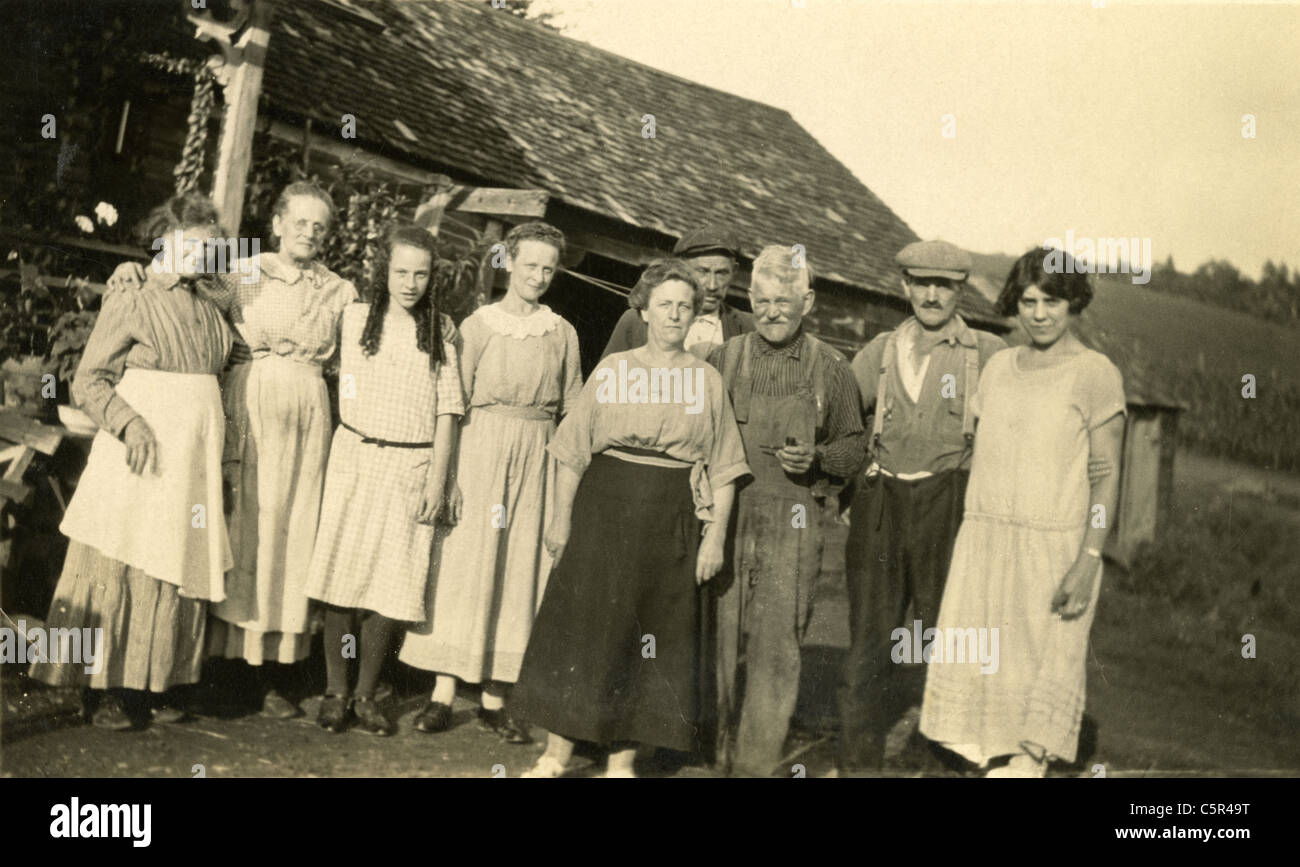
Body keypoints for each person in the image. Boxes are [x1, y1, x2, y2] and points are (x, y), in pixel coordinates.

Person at [107, 181, 359, 717]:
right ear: (277, 224)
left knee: (291, 531)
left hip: (309, 415)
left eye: (320, 226)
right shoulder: (243, 266)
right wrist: (131, 270)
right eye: (299, 222)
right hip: (249, 405)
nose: (308, 233)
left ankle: (271, 670)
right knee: (243, 526)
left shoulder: (340, 291)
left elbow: (369, 344)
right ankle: (220, 666)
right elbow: (177, 266)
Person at [509, 259, 750, 777]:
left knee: (649, 637)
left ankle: (622, 763)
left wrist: (715, 539)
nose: (675, 315)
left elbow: (726, 468)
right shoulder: (614, 370)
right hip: (604, 511)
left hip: (671, 521)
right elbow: (572, 452)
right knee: (584, 630)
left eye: (686, 307)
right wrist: (560, 520)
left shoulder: (706, 380)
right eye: (665, 305)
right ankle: (555, 756)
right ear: (643, 308)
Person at [919, 246, 1125, 777]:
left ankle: (1024, 767)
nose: (1038, 313)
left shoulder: (1095, 374)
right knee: (982, 682)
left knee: (1035, 683)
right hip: (986, 543)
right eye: (1028, 301)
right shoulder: (999, 368)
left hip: (1052, 550)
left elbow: (1106, 479)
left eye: (1051, 301)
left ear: (1073, 302)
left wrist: (1089, 559)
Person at [29, 193, 233, 728]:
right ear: (166, 240)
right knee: (121, 558)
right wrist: (130, 422)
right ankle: (106, 691)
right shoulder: (134, 295)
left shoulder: (215, 299)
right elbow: (89, 379)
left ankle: (156, 684)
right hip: (140, 451)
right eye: (191, 244)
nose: (201, 255)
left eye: (209, 247)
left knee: (173, 562)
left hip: (192, 457)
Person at [399, 222, 581, 743]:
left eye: (549, 269)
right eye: (530, 266)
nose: (539, 277)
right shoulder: (478, 325)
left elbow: (572, 410)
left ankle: (496, 699)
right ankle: (441, 692)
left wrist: (563, 484)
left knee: (520, 568)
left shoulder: (562, 332)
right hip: (481, 450)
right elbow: (453, 405)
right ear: (508, 263)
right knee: (466, 566)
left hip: (538, 456)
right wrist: (450, 475)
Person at [835, 240, 1007, 773]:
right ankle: (857, 765)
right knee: (870, 639)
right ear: (905, 286)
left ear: (960, 292)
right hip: (882, 500)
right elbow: (838, 411)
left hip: (949, 500)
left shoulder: (987, 353)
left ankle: (937, 759)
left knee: (946, 637)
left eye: (945, 286)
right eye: (922, 284)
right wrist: (845, 484)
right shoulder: (881, 350)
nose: (932, 295)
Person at [707, 245, 866, 776]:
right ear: (749, 298)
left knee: (777, 644)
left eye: (785, 301)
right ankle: (711, 753)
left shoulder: (832, 368)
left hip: (794, 516)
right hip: (726, 512)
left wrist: (818, 457)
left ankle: (753, 763)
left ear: (809, 301)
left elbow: (853, 447)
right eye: (763, 300)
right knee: (717, 635)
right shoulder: (722, 359)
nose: (773, 312)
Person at [304, 223, 463, 736]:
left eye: (421, 274)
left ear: (432, 277)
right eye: (400, 271)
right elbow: (289, 314)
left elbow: (447, 411)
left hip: (411, 467)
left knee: (389, 584)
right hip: (355, 456)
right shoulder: (351, 318)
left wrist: (437, 482)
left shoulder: (440, 332)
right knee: (342, 577)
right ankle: (335, 690)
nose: (410, 283)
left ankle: (367, 695)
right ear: (383, 271)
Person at [601, 225, 754, 360]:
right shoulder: (637, 320)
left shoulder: (749, 328)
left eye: (722, 273)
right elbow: (604, 384)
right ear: (682, 269)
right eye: (702, 271)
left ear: (734, 272)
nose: (712, 285)